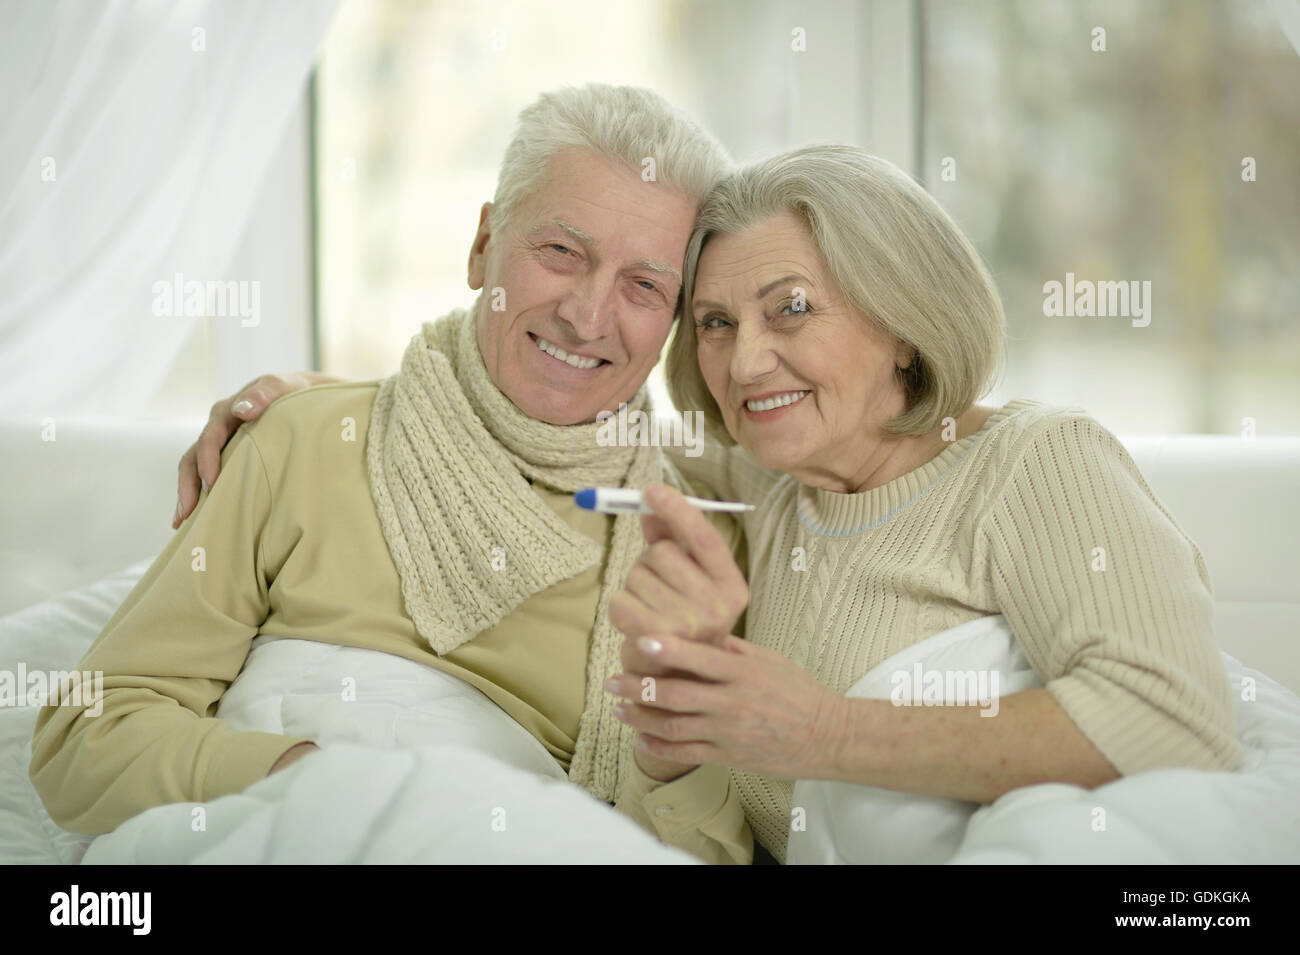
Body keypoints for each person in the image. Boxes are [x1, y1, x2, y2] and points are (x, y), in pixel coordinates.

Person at [197, 145, 1244, 865]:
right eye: (711, 321)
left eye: (790, 308)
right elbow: (553, 424)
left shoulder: (1031, 461)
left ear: (902, 317)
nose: (744, 359)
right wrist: (321, 406)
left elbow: (1170, 718)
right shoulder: (763, 487)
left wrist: (825, 731)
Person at [30, 83, 757, 865]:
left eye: (644, 286)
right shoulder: (300, 439)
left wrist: (671, 727)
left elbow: (699, 853)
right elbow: (84, 736)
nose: (586, 314)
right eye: (561, 252)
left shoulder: (695, 546)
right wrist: (319, 787)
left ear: (675, 321)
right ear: (484, 246)